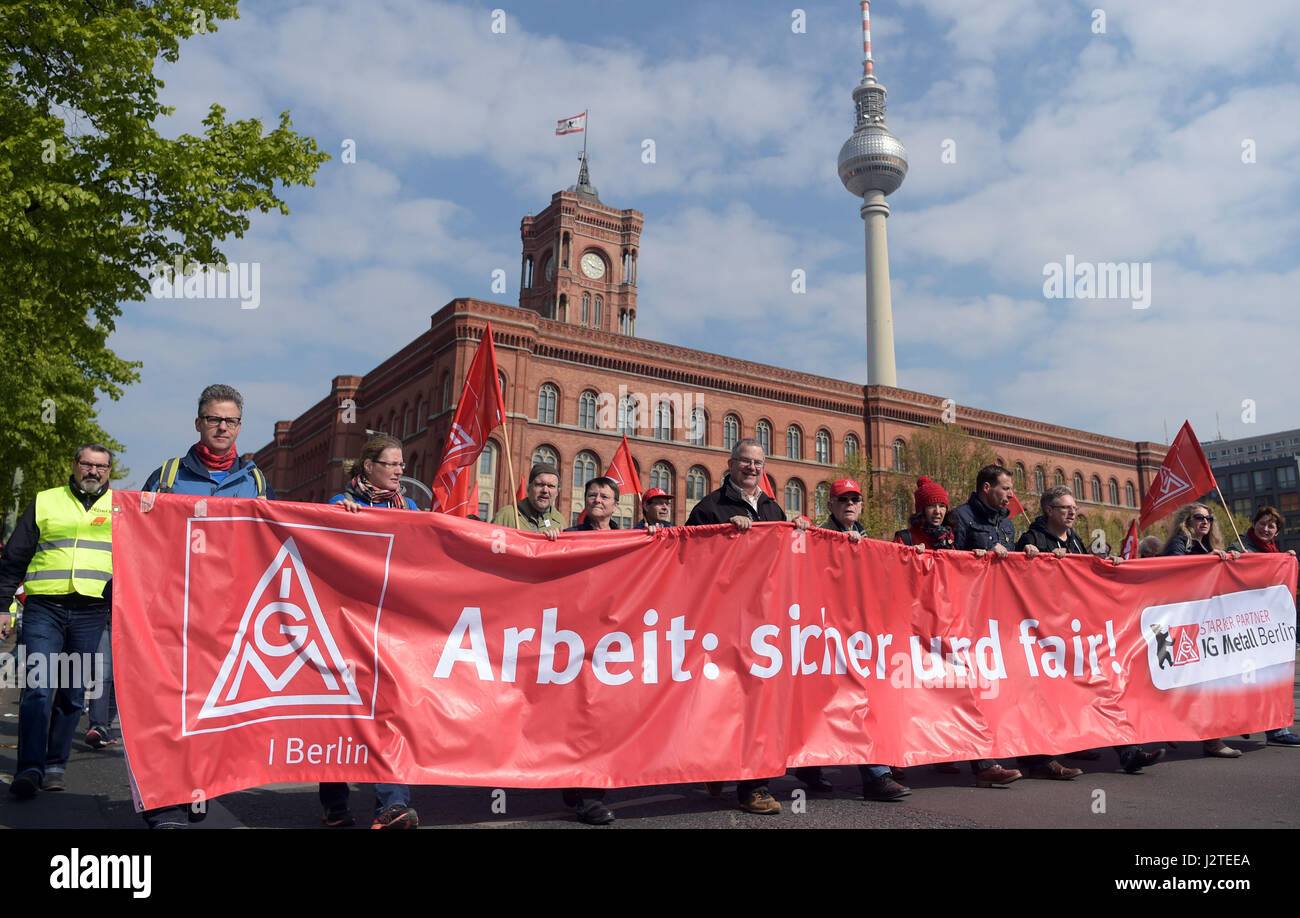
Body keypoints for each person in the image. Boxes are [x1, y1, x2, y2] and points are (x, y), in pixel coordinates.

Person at [138, 384, 274, 828]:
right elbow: (140, 537)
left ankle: (197, 788)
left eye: (230, 421)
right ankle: (163, 803)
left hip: (226, 616)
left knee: (212, 710)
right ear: (198, 423)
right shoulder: (168, 474)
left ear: (239, 427)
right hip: (172, 612)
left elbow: (270, 541)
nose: (222, 427)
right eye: (214, 419)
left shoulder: (254, 480)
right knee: (166, 709)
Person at [686, 438, 808, 814]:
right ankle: (716, 762)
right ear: (731, 463)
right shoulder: (710, 507)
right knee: (722, 699)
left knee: (758, 701)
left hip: (764, 622)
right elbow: (688, 559)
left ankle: (754, 786)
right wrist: (723, 537)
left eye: (758, 463)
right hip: (722, 620)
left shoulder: (773, 508)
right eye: (745, 461)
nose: (751, 468)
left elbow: (790, 558)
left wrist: (799, 531)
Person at [1014, 487, 1163, 775]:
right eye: (1065, 507)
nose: (1072, 512)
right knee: (1046, 696)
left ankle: (1128, 751)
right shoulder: (1032, 539)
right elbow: (1020, 579)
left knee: (1101, 686)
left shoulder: (1077, 541)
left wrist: (1110, 565)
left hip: (1077, 629)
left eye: (1074, 508)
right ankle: (1037, 759)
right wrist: (1036, 559)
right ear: (1048, 510)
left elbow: (1088, 576)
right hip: (1045, 634)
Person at [0, 445, 115, 798]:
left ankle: (54, 765)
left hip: (91, 613)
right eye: (86, 464)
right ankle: (29, 769)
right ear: (74, 465)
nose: (93, 471)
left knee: (73, 692)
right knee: (38, 687)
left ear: (110, 471)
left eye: (101, 466)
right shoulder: (47, 500)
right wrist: (4, 606)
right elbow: (14, 557)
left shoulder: (122, 508)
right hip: (43, 608)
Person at [319, 435, 421, 829]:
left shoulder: (409, 508)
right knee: (341, 714)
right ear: (368, 466)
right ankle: (335, 801)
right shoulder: (338, 505)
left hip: (390, 630)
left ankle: (391, 805)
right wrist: (334, 521)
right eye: (392, 464)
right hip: (344, 627)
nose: (399, 471)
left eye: (402, 465)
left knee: (389, 715)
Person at [796, 478, 910, 801]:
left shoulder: (869, 541)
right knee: (823, 703)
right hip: (823, 633)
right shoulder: (816, 537)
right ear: (830, 505)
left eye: (855, 500)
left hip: (860, 637)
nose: (849, 504)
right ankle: (811, 765)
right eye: (843, 499)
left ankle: (877, 775)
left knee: (862, 701)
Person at [948, 465, 1027, 787]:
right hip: (967, 616)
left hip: (1000, 619)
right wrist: (974, 558)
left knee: (1000, 687)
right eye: (1006, 488)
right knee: (972, 689)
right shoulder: (961, 518)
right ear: (985, 487)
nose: (1011, 495)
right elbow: (947, 563)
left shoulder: (1007, 523)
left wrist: (1025, 555)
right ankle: (984, 764)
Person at [553, 476, 625, 825]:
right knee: (580, 717)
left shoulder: (631, 539)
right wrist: (547, 544)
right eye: (592, 494)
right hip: (575, 641)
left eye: (605, 496)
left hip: (614, 644)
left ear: (615, 505)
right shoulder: (569, 535)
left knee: (602, 718)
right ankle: (587, 795)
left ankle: (582, 788)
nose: (598, 499)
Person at [1162, 503, 1242, 758]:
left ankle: (1206, 737)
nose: (1205, 521)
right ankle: (1204, 738)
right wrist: (1207, 562)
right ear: (1187, 520)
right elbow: (1176, 569)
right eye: (1199, 517)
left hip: (1207, 624)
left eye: (1209, 517)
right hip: (1184, 623)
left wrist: (1232, 556)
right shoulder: (1180, 544)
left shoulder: (1211, 546)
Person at [1230, 507, 1300, 746]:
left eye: (1272, 526)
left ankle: (1277, 730)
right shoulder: (1238, 546)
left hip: (1269, 629)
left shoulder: (1277, 554)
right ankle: (1243, 721)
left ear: (1277, 532)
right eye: (1262, 523)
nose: (1266, 528)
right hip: (1243, 627)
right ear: (1254, 523)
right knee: (1246, 680)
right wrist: (1235, 558)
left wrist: (1286, 561)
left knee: (1273, 679)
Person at [491, 462, 565, 538]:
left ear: (557, 492)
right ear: (529, 488)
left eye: (551, 486)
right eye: (539, 484)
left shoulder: (560, 522)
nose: (545, 490)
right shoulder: (507, 515)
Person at [894, 476, 955, 551]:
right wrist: (908, 554)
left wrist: (972, 557)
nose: (937, 511)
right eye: (931, 506)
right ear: (922, 510)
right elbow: (890, 560)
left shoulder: (949, 540)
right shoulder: (903, 539)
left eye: (942, 506)